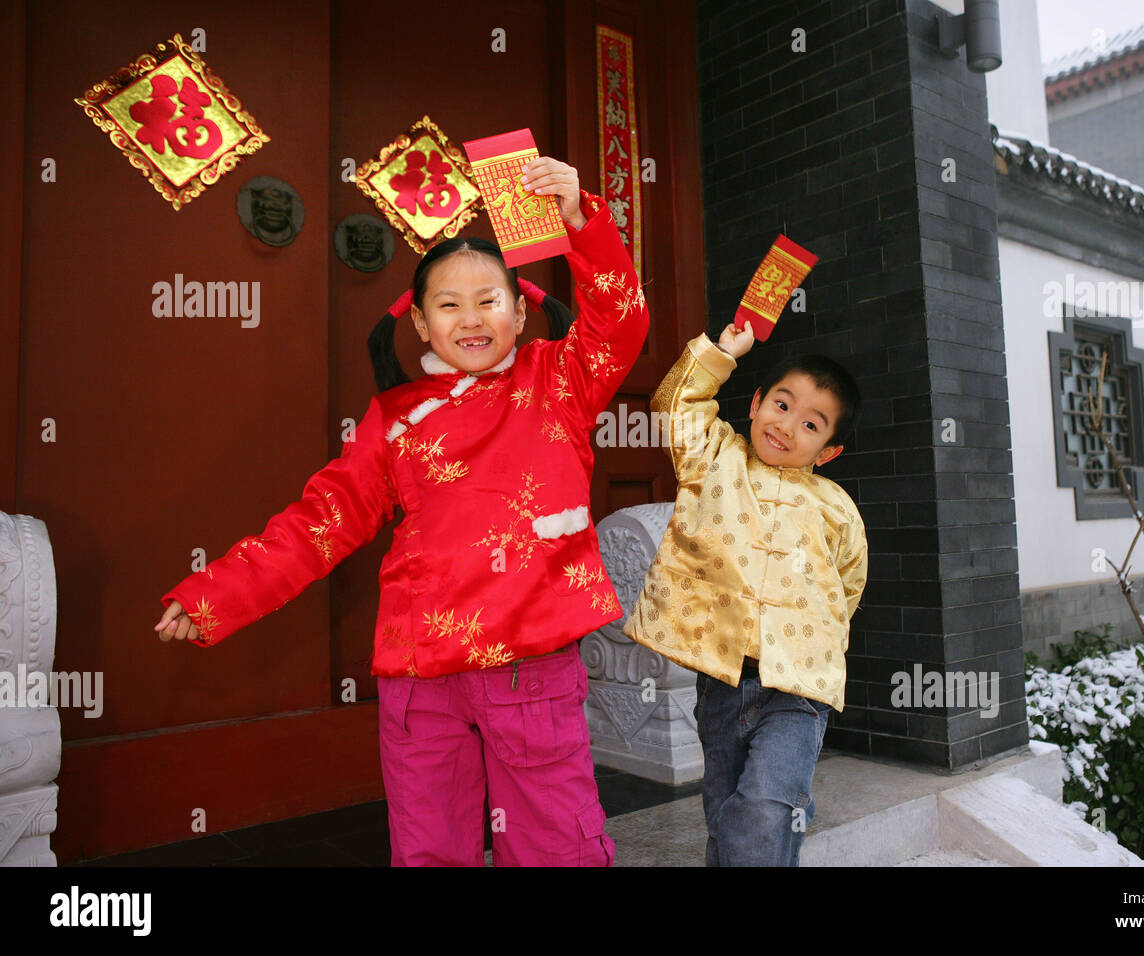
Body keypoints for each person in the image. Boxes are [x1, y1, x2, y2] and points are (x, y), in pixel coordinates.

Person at [153, 157, 650, 866]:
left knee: (553, 847)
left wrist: (581, 222)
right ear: (419, 321)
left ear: (520, 308)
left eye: (489, 300)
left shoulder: (559, 379)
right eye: (448, 304)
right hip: (420, 680)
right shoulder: (394, 418)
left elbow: (620, 322)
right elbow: (317, 523)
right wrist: (215, 594)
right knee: (427, 850)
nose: (471, 318)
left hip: (530, 668)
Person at [622, 318, 868, 866]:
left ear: (827, 451)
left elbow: (846, 586)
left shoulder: (836, 509)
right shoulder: (714, 459)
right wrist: (721, 354)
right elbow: (674, 405)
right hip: (723, 684)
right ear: (755, 403)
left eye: (811, 424)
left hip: (797, 691)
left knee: (765, 809)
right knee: (727, 813)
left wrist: (807, 638)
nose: (787, 426)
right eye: (782, 405)